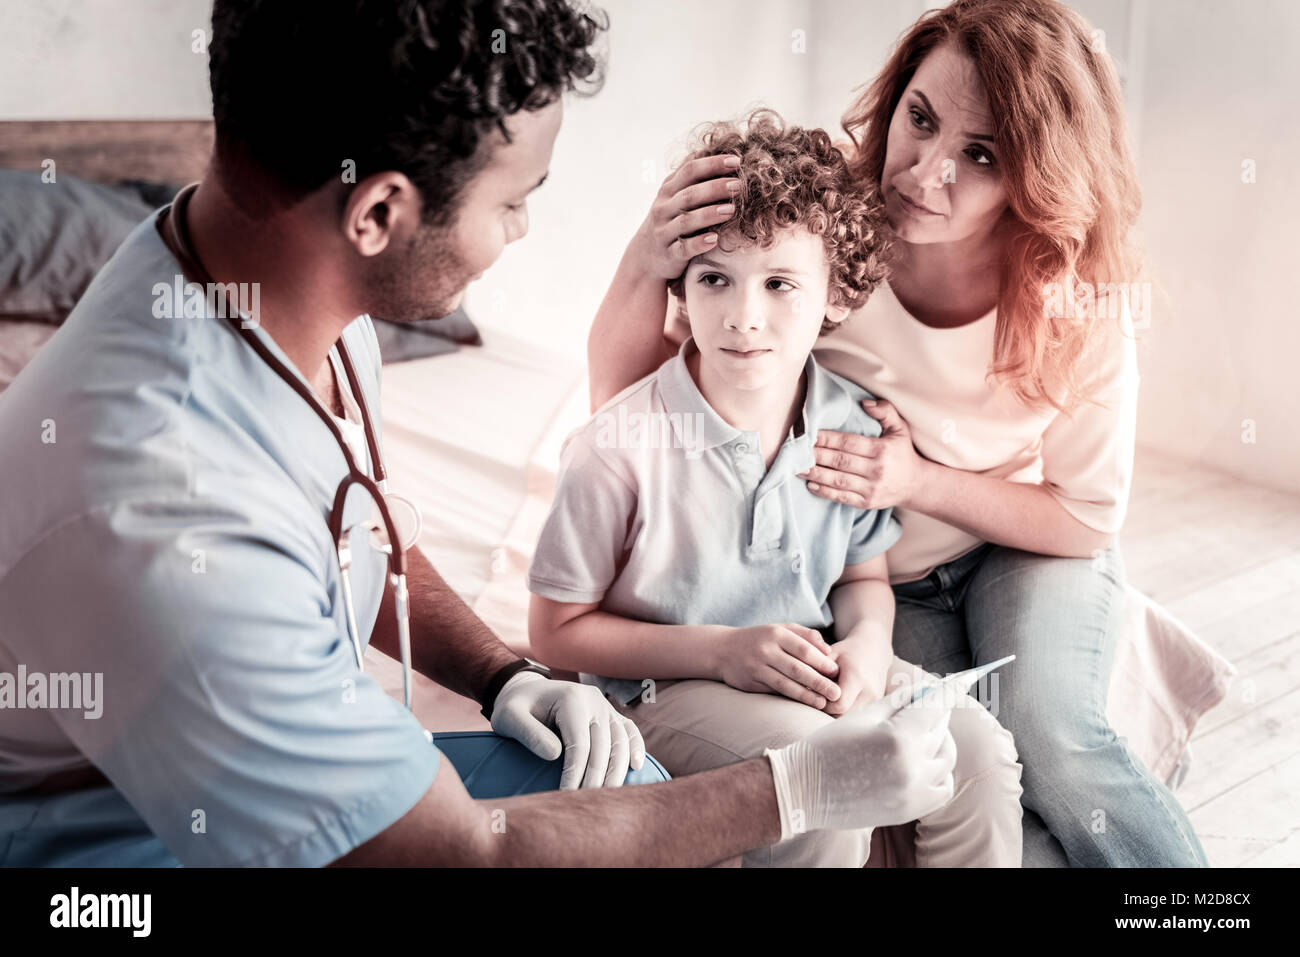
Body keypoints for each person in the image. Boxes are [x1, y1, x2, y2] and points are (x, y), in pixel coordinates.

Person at [0, 0, 958, 868]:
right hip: (131, 844)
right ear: (378, 211)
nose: (526, 229)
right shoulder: (164, 514)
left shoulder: (276, 291)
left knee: (624, 791)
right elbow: (453, 855)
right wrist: (802, 787)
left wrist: (503, 672)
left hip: (246, 746)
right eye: (513, 201)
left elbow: (352, 527)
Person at [585, 0, 1209, 867]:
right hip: (862, 570)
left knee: (1055, 737)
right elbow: (627, 399)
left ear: (1036, 181)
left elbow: (1085, 519)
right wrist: (644, 254)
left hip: (1020, 546)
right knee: (957, 766)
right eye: (920, 119)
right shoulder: (822, 222)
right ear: (897, 96)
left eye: (980, 156)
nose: (924, 172)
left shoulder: (1071, 291)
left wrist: (913, 480)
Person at [527, 110, 1024, 867]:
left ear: (839, 296)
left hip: (813, 665)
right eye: (715, 279)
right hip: (657, 693)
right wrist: (723, 651)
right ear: (682, 292)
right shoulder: (617, 446)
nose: (743, 316)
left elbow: (862, 576)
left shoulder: (852, 428)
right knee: (824, 775)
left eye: (780, 283)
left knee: (980, 750)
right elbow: (554, 633)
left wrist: (866, 643)